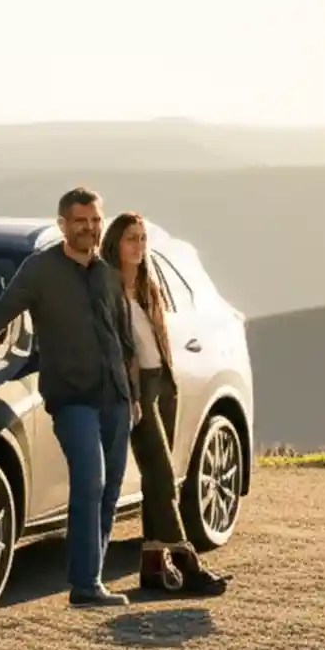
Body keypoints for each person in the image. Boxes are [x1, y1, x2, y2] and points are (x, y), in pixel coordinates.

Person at [0, 187, 140, 607]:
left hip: (115, 396)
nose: (89, 228)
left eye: (95, 220)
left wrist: (132, 393)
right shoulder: (40, 270)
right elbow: (3, 310)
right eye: (80, 221)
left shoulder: (106, 273)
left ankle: (93, 579)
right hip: (72, 396)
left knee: (109, 489)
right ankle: (84, 584)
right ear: (63, 225)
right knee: (90, 481)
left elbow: (123, 337)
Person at [100, 211, 232, 596]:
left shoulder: (146, 284)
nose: (139, 246)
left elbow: (157, 344)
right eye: (131, 239)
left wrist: (166, 385)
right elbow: (118, 350)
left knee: (157, 481)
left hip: (162, 385)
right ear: (115, 243)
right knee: (160, 475)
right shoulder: (106, 290)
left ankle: (154, 567)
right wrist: (133, 395)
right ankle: (188, 563)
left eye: (142, 238)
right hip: (135, 391)